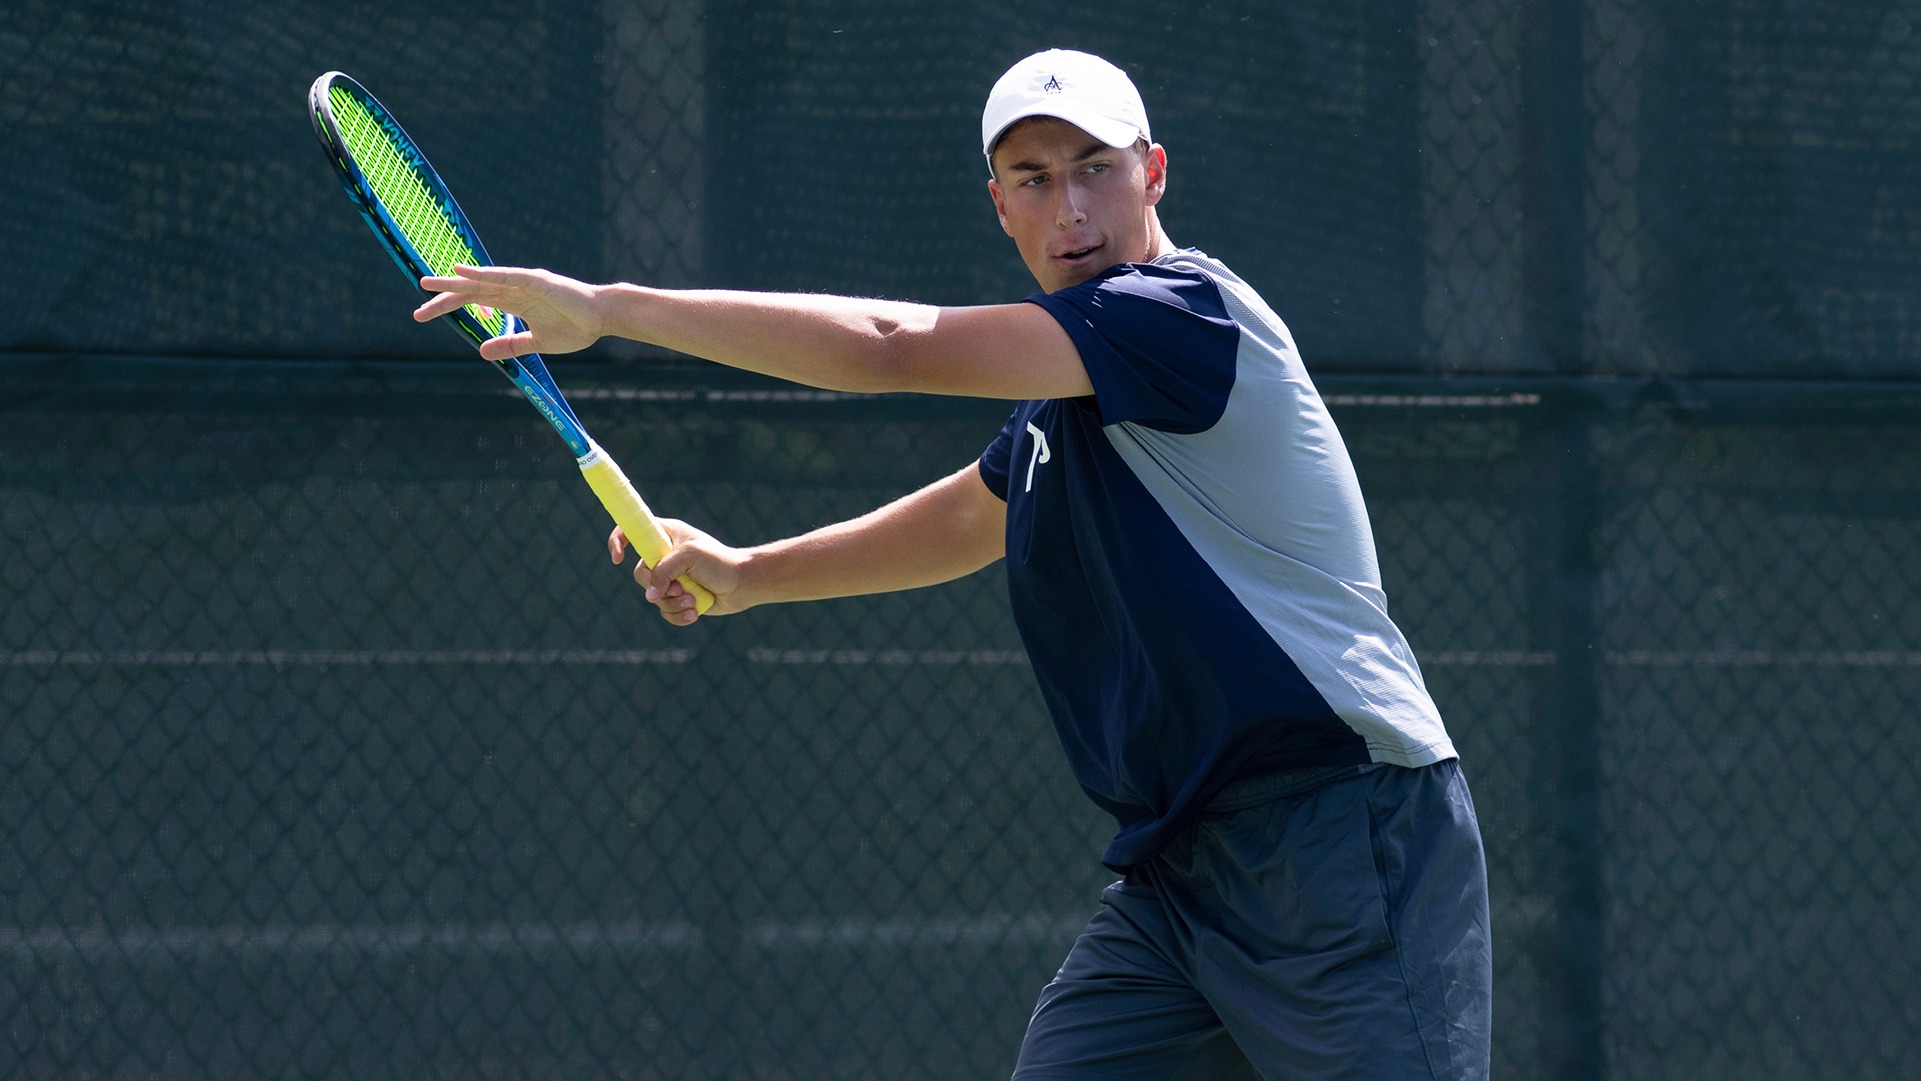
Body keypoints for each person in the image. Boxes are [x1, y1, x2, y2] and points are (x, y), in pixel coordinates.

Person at [417, 47, 1492, 1081]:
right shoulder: (1065, 401)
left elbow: (891, 346)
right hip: (1181, 871)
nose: (1070, 209)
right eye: (1035, 178)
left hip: (1340, 831)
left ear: (1152, 173)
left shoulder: (1180, 318)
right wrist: (747, 571)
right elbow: (966, 519)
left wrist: (606, 309)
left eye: (1095, 170)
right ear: (999, 203)